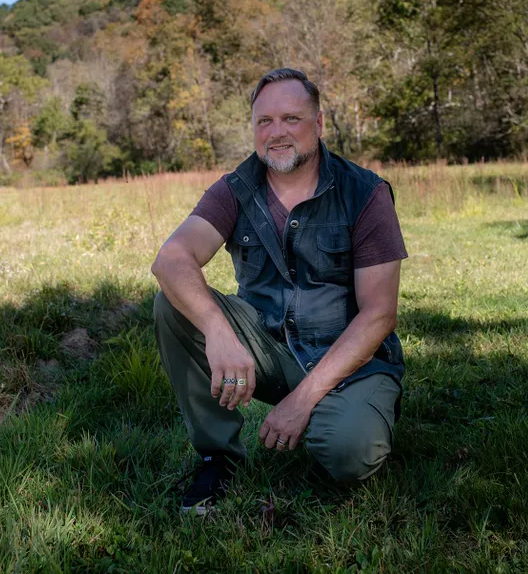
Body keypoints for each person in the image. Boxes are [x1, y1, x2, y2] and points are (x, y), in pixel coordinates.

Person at [151, 68, 407, 514]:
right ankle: (218, 456)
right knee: (173, 303)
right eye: (264, 122)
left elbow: (379, 315)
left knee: (349, 454)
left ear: (319, 124)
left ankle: (358, 413)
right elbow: (171, 259)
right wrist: (218, 330)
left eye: (291, 118)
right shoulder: (235, 190)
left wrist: (302, 401)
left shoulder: (364, 193)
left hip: (348, 359)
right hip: (266, 348)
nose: (277, 133)